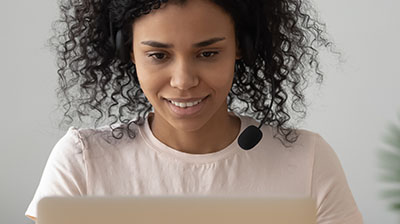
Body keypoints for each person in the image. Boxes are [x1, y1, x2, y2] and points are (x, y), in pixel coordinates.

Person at [26, 0, 363, 223]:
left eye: (208, 54)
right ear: (128, 52)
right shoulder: (83, 160)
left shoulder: (307, 159)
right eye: (158, 55)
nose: (183, 81)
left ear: (240, 48)